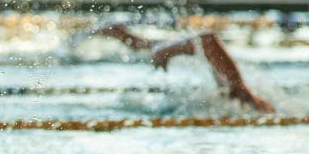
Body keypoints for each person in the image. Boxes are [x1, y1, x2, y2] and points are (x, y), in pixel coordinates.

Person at [93, 23, 275, 113]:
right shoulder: (246, 100)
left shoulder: (241, 101)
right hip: (242, 99)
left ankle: (140, 43)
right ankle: (156, 48)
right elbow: (207, 39)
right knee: (239, 90)